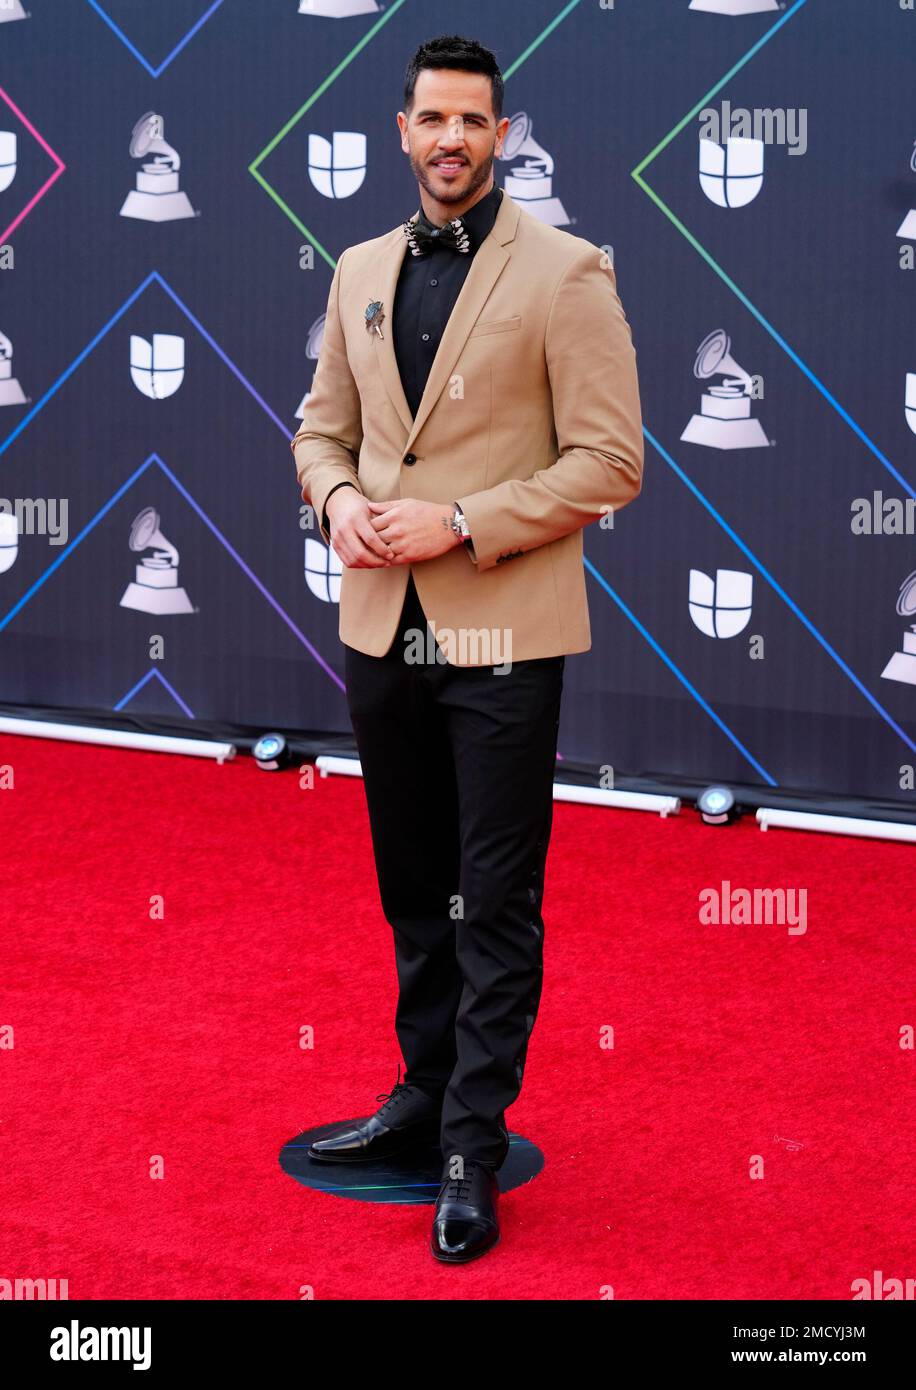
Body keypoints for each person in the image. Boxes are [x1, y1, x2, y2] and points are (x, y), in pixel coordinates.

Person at [291, 33, 644, 1264]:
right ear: (403, 131)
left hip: (504, 627)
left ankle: (468, 1149)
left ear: (502, 135)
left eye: (472, 122)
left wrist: (456, 520)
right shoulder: (358, 269)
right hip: (380, 624)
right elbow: (320, 432)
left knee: (493, 898)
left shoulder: (567, 272)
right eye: (431, 119)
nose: (450, 140)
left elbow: (611, 463)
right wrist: (336, 505)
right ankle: (420, 1092)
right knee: (412, 887)